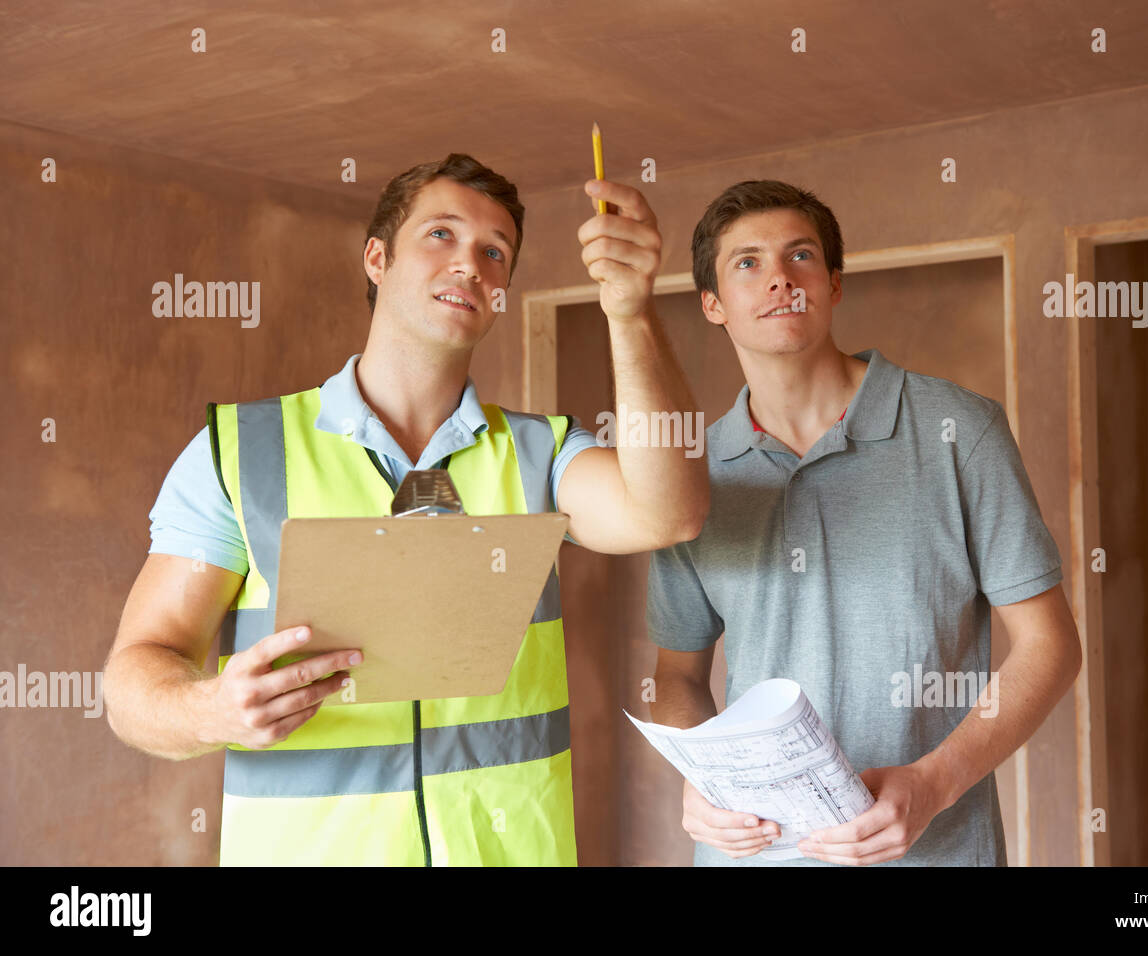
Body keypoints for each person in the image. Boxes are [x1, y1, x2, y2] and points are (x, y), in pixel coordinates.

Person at [104, 153, 707, 866]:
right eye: (440, 235)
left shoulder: (541, 451)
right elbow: (135, 680)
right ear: (376, 258)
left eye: (494, 252)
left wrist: (631, 311)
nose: (470, 265)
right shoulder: (240, 452)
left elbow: (665, 513)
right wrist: (212, 709)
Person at [646, 180, 1081, 866]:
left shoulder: (959, 431)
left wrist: (934, 784)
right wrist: (701, 778)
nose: (781, 278)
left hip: (937, 852)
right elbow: (677, 675)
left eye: (801, 256)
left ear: (833, 284)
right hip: (756, 857)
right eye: (748, 263)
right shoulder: (694, 476)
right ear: (712, 304)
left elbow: (1050, 646)